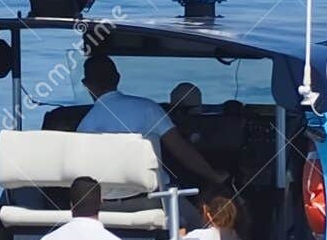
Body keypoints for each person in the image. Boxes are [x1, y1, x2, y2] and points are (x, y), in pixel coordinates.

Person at [76, 55, 226, 189]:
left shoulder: (85, 126)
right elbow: (182, 150)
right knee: (198, 219)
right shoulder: (149, 108)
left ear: (86, 84)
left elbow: (83, 176)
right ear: (117, 78)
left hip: (105, 207)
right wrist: (214, 176)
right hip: (156, 200)